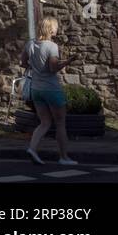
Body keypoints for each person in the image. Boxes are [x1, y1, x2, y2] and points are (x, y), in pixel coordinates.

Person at [25, 16, 77, 166]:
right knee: (60, 123)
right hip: (51, 89)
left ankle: (32, 149)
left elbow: (23, 63)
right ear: (50, 29)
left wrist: (35, 66)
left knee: (44, 122)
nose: (57, 28)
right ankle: (64, 157)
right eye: (56, 26)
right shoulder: (51, 46)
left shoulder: (30, 44)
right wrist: (68, 61)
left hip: (36, 89)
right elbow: (53, 68)